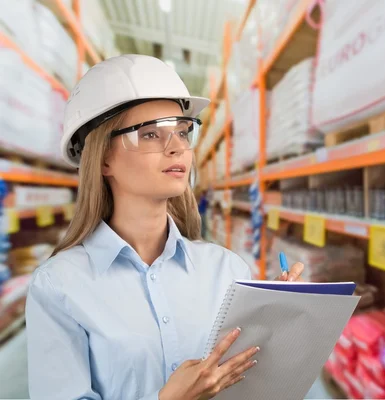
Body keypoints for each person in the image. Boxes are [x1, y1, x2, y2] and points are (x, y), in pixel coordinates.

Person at [25, 54, 304, 400]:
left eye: (183, 132)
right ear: (103, 157)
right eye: (151, 134)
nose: (177, 149)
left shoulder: (227, 269)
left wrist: (278, 326)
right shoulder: (59, 286)